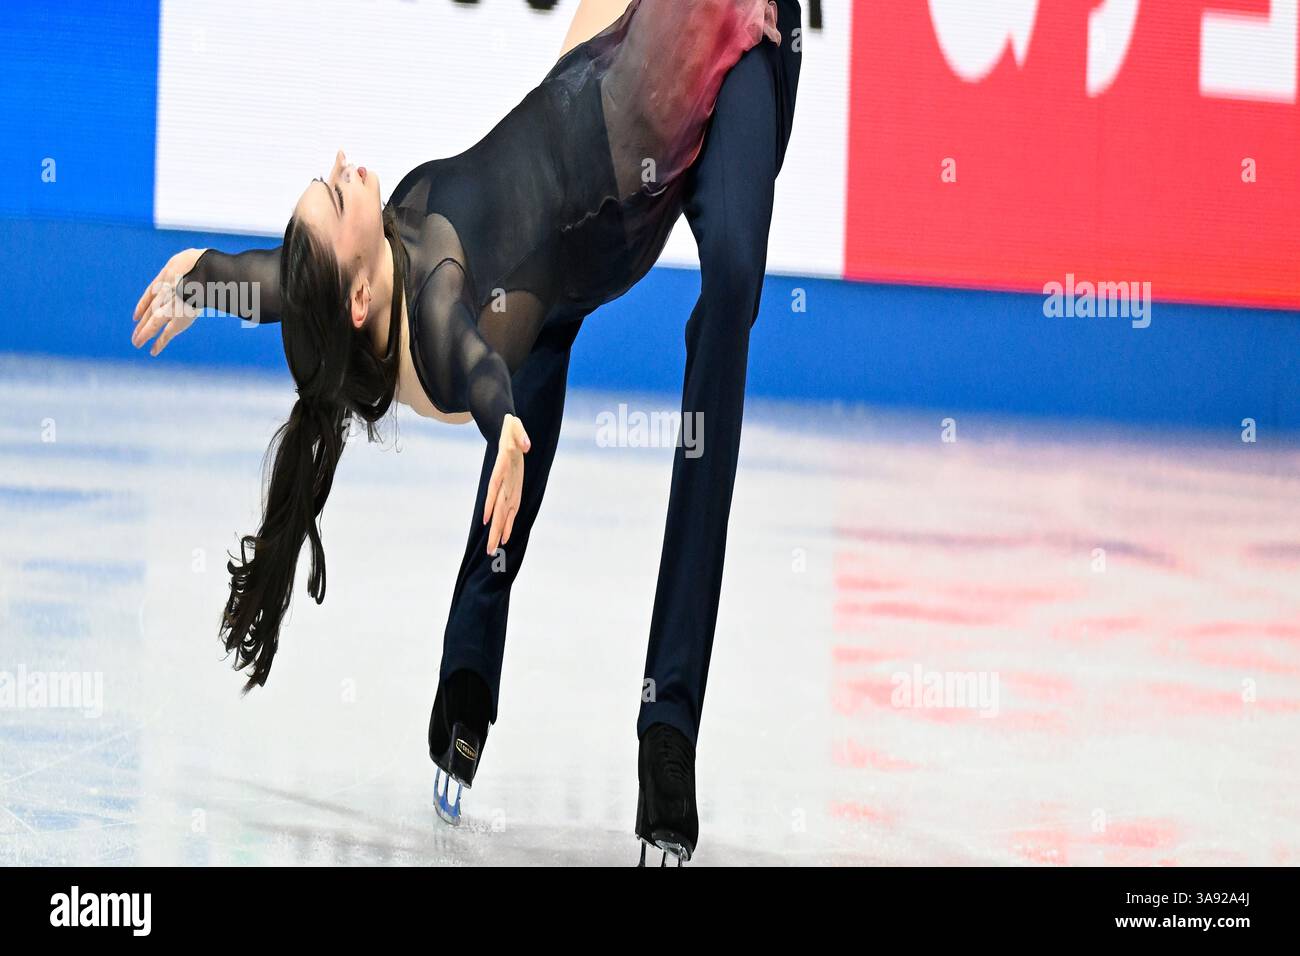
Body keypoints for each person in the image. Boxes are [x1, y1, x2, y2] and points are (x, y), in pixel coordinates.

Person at [131, 0, 797, 864]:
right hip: (614, 171)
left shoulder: (379, 262)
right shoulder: (432, 285)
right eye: (335, 191)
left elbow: (291, 284)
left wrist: (205, 277)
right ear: (365, 299)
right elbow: (462, 357)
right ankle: (469, 673)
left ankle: (665, 722)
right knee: (537, 340)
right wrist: (502, 421)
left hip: (667, 70)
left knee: (732, 275)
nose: (341, 164)